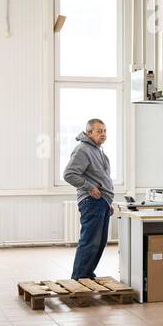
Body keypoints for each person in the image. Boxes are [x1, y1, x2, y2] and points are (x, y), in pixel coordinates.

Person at [63, 119, 113, 281]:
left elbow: (102, 177)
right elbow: (69, 174)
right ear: (88, 132)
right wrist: (90, 188)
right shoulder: (83, 149)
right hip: (91, 202)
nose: (103, 134)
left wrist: (108, 202)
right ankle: (79, 278)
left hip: (102, 202)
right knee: (90, 242)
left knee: (99, 242)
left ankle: (87, 274)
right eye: (99, 131)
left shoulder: (98, 150)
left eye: (105, 131)